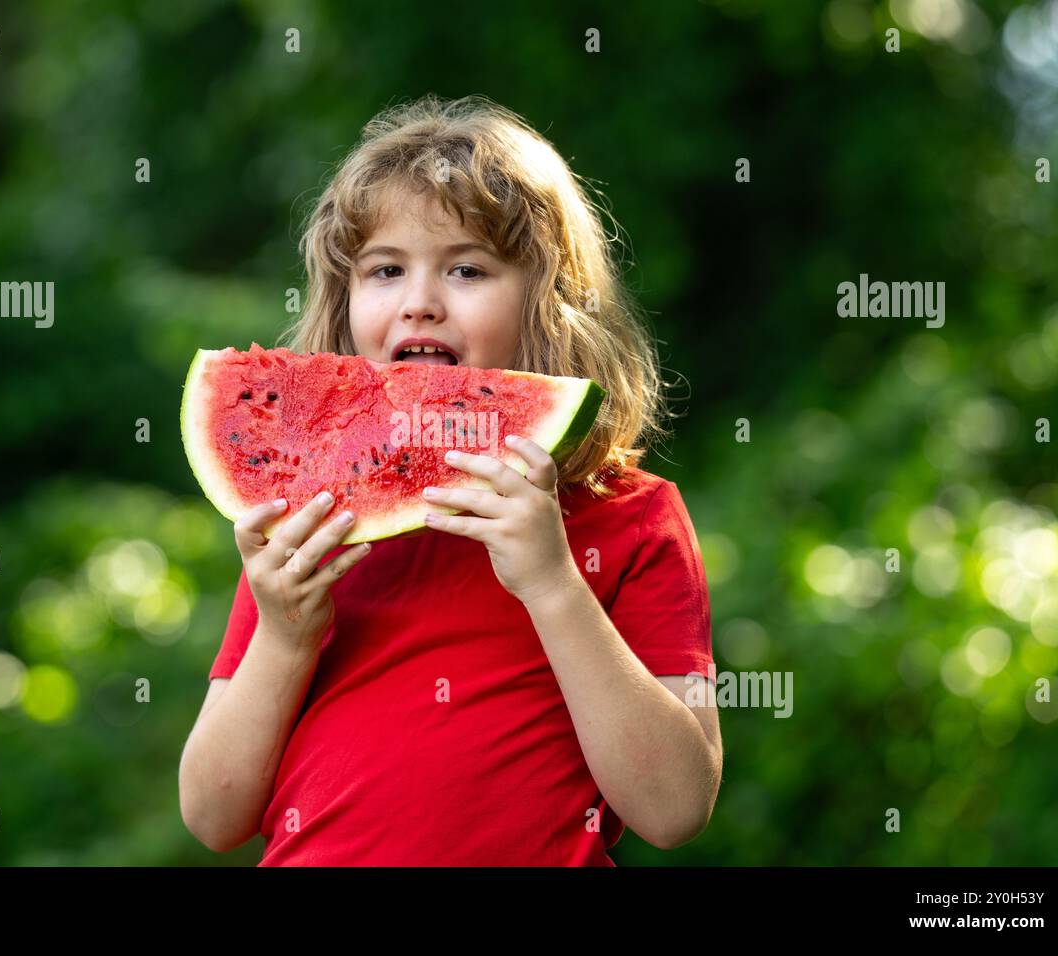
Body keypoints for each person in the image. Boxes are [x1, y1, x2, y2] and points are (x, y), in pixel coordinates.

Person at [179, 94, 721, 866]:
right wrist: (285, 635)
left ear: (550, 303)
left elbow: (674, 807)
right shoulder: (310, 522)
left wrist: (554, 584)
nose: (420, 303)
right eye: (385, 270)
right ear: (345, 304)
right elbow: (211, 814)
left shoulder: (633, 520)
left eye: (467, 269)